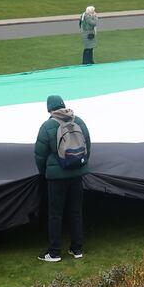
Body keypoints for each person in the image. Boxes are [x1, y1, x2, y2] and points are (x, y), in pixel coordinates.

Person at [35, 94, 90, 262]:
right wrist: (81, 165)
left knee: (55, 214)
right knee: (76, 212)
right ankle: (77, 249)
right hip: (77, 174)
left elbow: (40, 155)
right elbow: (87, 146)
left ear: (49, 109)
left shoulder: (47, 126)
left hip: (57, 177)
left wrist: (44, 172)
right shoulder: (79, 121)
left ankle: (54, 252)